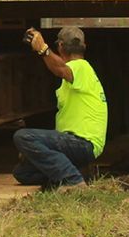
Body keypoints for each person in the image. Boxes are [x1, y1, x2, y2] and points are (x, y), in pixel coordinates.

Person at [12, 25, 108, 189]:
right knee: (23, 173)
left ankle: (73, 180)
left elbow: (61, 69)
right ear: (84, 46)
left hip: (82, 142)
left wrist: (43, 49)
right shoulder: (82, 74)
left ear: (60, 47)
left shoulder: (81, 67)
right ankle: (70, 172)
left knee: (24, 137)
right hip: (75, 143)